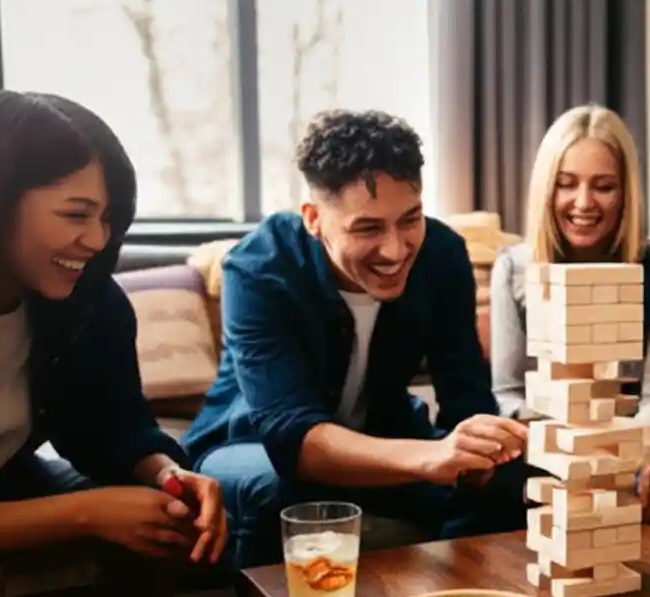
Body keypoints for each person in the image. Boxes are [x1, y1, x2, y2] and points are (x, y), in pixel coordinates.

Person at [0, 91, 227, 597]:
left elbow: (119, 427)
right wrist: (85, 512)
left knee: (162, 520)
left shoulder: (91, 304)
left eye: (107, 217)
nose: (96, 239)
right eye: (75, 213)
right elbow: (85, 508)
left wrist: (168, 474)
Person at [184, 110, 527, 569]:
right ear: (313, 218)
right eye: (368, 228)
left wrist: (483, 457)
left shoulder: (442, 253)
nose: (395, 249)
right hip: (249, 447)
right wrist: (429, 458)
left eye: (410, 219)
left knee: (508, 481)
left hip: (384, 441)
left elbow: (466, 397)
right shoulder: (259, 267)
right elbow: (293, 439)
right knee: (281, 490)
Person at [489, 105, 650, 523]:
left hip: (625, 431)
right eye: (566, 184)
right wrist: (556, 443)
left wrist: (645, 446)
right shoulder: (514, 267)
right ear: (547, 190)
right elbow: (506, 392)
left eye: (604, 186)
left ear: (625, 192)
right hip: (541, 435)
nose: (583, 203)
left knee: (636, 491)